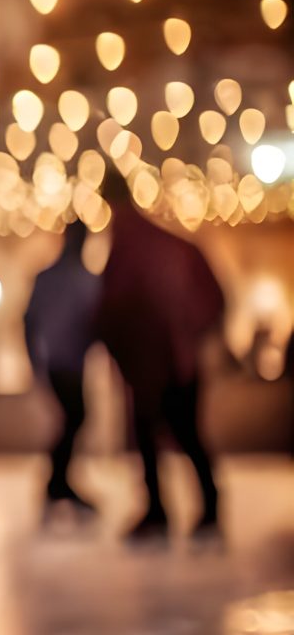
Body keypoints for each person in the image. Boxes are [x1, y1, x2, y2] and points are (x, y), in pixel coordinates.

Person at [94, 176, 225, 540]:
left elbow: (115, 305)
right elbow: (213, 300)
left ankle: (162, 510)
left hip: (153, 365)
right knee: (186, 435)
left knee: (156, 437)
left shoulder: (129, 243)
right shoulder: (170, 245)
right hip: (178, 360)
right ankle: (207, 507)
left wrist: (112, 343)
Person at [23, 219, 102, 519]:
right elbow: (29, 322)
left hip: (67, 361)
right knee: (75, 419)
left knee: (74, 419)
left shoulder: (72, 278)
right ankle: (57, 483)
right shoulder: (76, 278)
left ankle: (59, 482)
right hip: (62, 362)